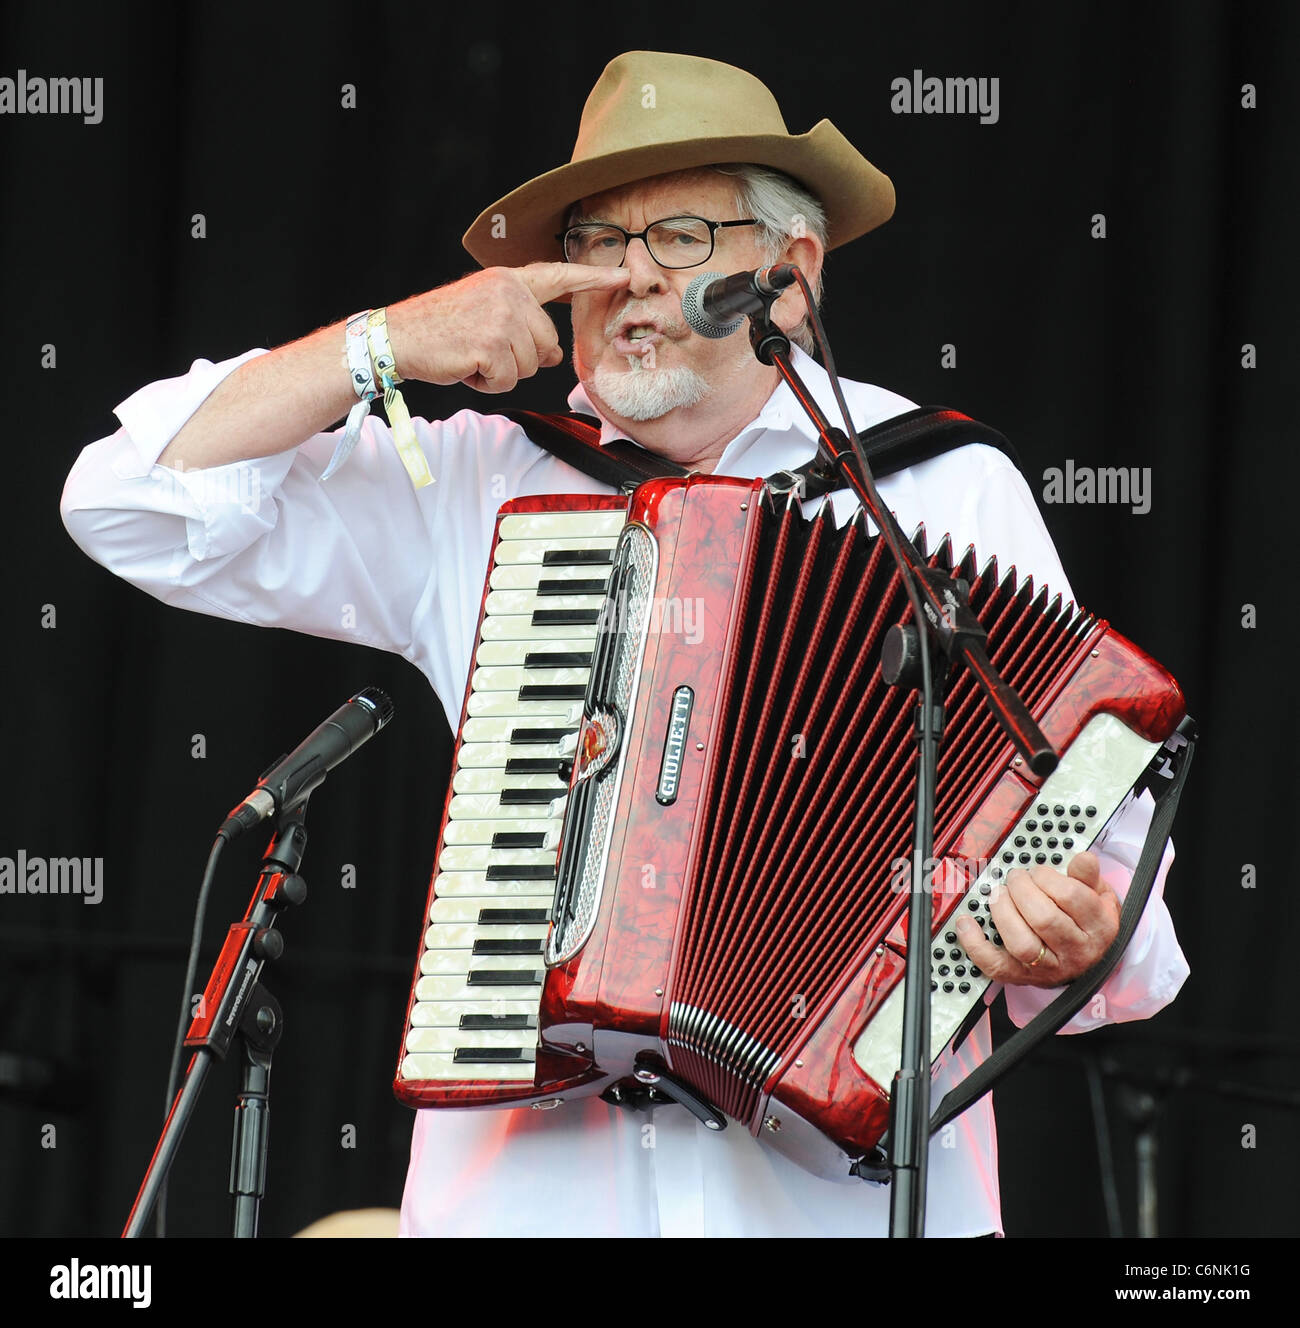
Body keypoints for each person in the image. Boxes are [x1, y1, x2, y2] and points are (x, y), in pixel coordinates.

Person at [60, 51, 1188, 1237]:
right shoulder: (481, 484)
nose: (633, 277)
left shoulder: (945, 491)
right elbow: (125, 502)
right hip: (531, 1201)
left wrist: (1079, 932)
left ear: (791, 278)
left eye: (685, 235)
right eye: (597, 241)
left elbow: (1119, 897)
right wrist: (382, 343)